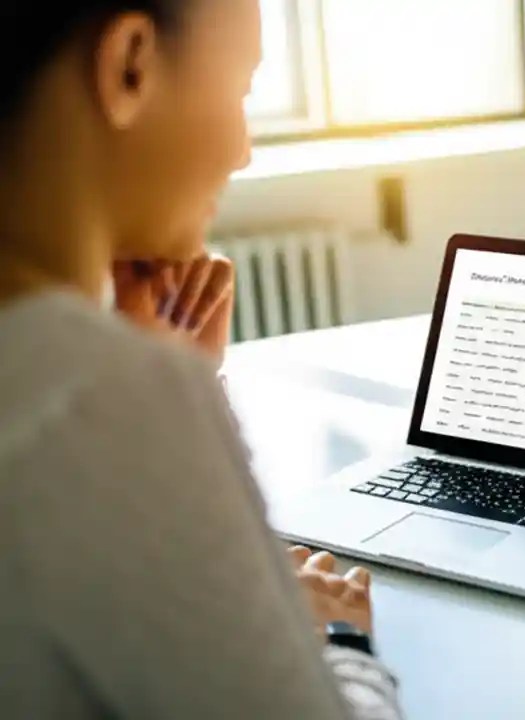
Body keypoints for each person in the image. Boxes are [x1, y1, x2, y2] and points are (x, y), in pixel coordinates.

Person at [0, 1, 404, 718]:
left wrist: (151, 369)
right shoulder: (105, 397)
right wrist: (341, 641)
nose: (244, 148)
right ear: (131, 63)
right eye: (242, 89)